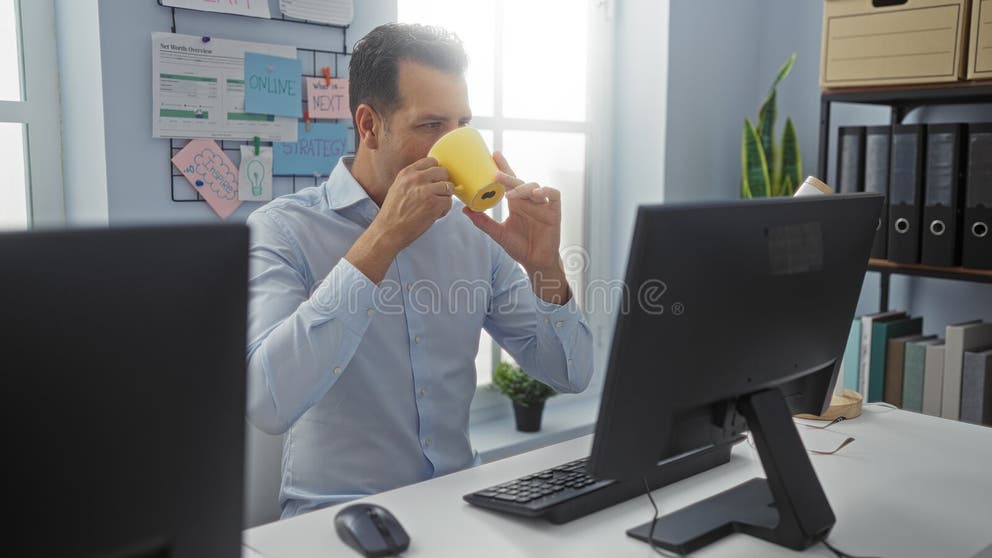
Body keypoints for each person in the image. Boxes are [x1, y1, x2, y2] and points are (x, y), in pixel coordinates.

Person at [245, 23, 593, 518]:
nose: (451, 147)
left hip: (460, 507)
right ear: (369, 126)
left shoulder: (472, 230)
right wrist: (383, 238)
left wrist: (545, 269)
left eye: (462, 126)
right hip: (334, 517)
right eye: (431, 125)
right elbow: (267, 402)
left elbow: (571, 374)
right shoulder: (281, 230)